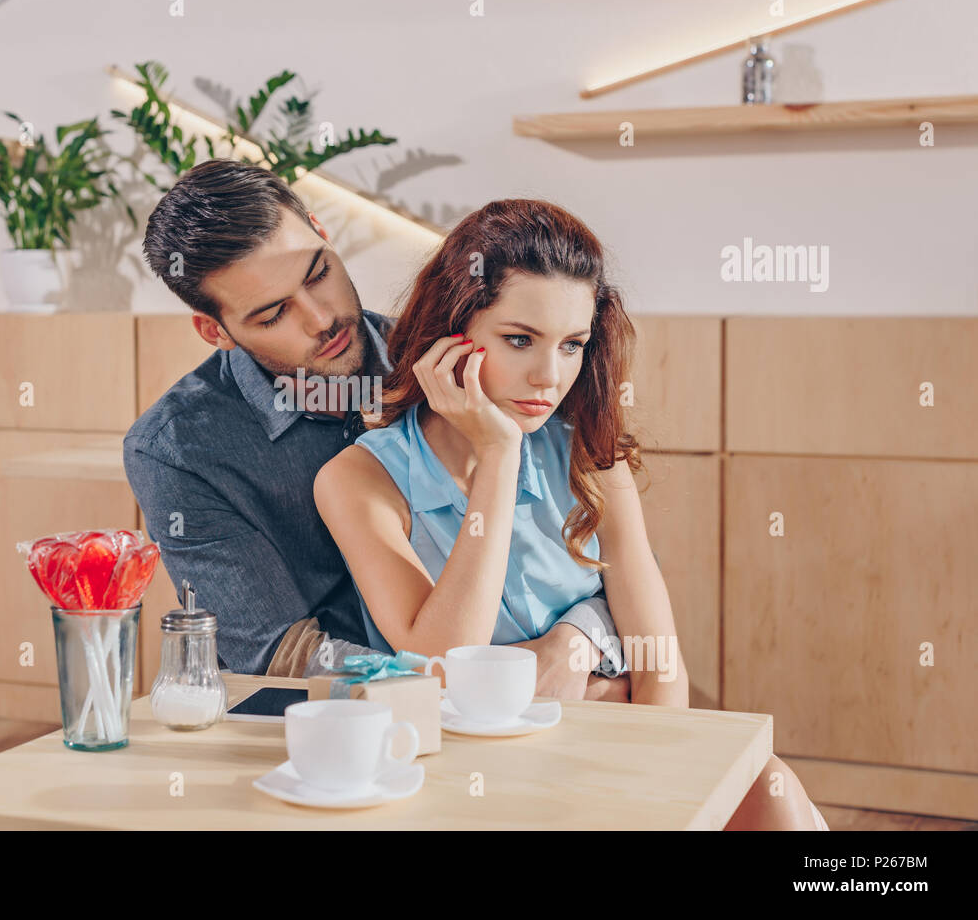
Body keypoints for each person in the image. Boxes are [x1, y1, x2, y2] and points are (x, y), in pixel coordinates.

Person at [313, 198, 829, 830]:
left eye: (572, 345)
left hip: (607, 747)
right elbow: (441, 667)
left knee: (772, 787)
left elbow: (662, 670)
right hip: (469, 773)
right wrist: (499, 453)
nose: (548, 377)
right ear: (452, 334)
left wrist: (646, 784)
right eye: (520, 340)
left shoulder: (586, 454)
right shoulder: (359, 480)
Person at [123, 159, 627, 700]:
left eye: (318, 274)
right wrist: (499, 680)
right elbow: (280, 656)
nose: (321, 319)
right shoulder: (176, 449)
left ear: (321, 230)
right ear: (214, 331)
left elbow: (590, 561)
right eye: (273, 314)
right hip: (327, 728)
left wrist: (578, 640)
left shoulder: (455, 358)